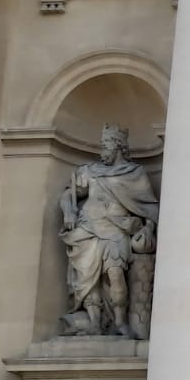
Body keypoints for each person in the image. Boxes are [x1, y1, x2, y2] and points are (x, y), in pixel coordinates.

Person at [58, 123, 159, 337]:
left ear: (118, 146)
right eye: (102, 146)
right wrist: (68, 212)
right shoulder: (89, 171)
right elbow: (69, 194)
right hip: (87, 229)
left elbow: (149, 208)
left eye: (106, 146)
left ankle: (120, 322)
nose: (102, 151)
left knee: (116, 275)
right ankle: (95, 323)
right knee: (87, 279)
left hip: (115, 230)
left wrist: (148, 228)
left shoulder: (134, 174)